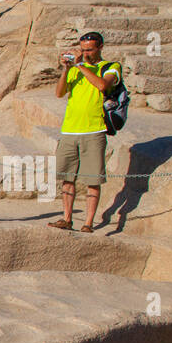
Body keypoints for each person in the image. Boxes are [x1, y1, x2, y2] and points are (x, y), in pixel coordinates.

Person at [48, 31, 121, 233]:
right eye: (83, 49)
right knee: (67, 177)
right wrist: (66, 69)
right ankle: (67, 218)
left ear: (100, 47)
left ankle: (88, 223)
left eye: (89, 49)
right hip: (70, 129)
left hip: (94, 129)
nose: (85, 53)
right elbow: (59, 92)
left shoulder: (110, 67)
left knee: (92, 179)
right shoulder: (74, 69)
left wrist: (81, 65)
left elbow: (102, 85)